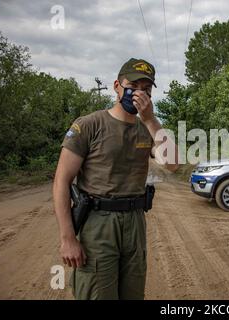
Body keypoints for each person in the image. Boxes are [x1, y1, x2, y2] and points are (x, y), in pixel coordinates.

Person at [52, 58, 178, 300]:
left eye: (147, 89)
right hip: (99, 224)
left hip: (135, 222)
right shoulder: (89, 125)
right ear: (117, 86)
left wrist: (151, 120)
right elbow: (61, 181)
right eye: (133, 85)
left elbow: (172, 163)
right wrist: (67, 238)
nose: (139, 93)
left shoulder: (147, 129)